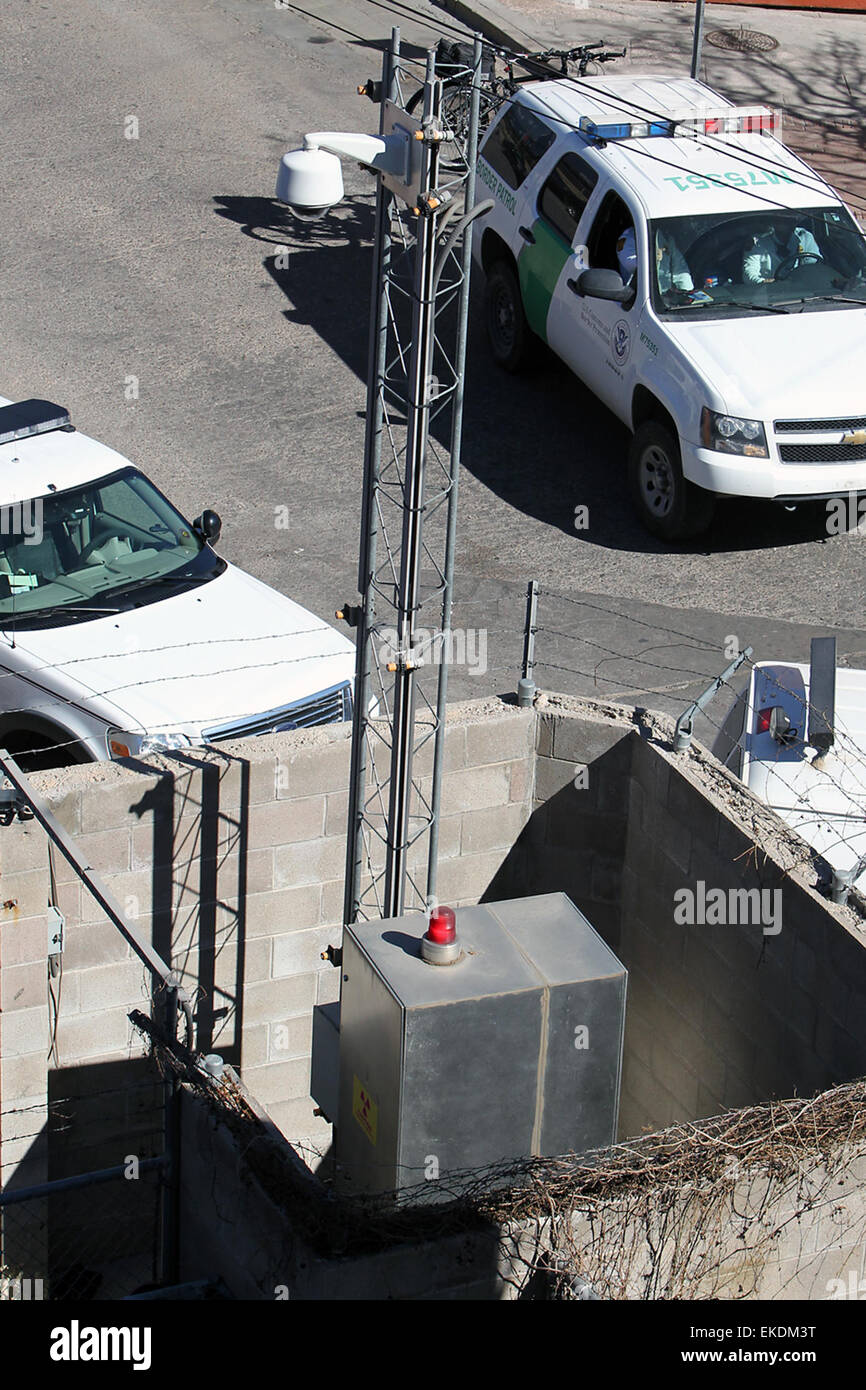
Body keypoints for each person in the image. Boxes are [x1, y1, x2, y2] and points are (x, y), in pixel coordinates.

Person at [655, 228, 694, 294]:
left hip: (665, 296)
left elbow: (681, 272)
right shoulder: (637, 235)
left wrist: (685, 291)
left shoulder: (667, 239)